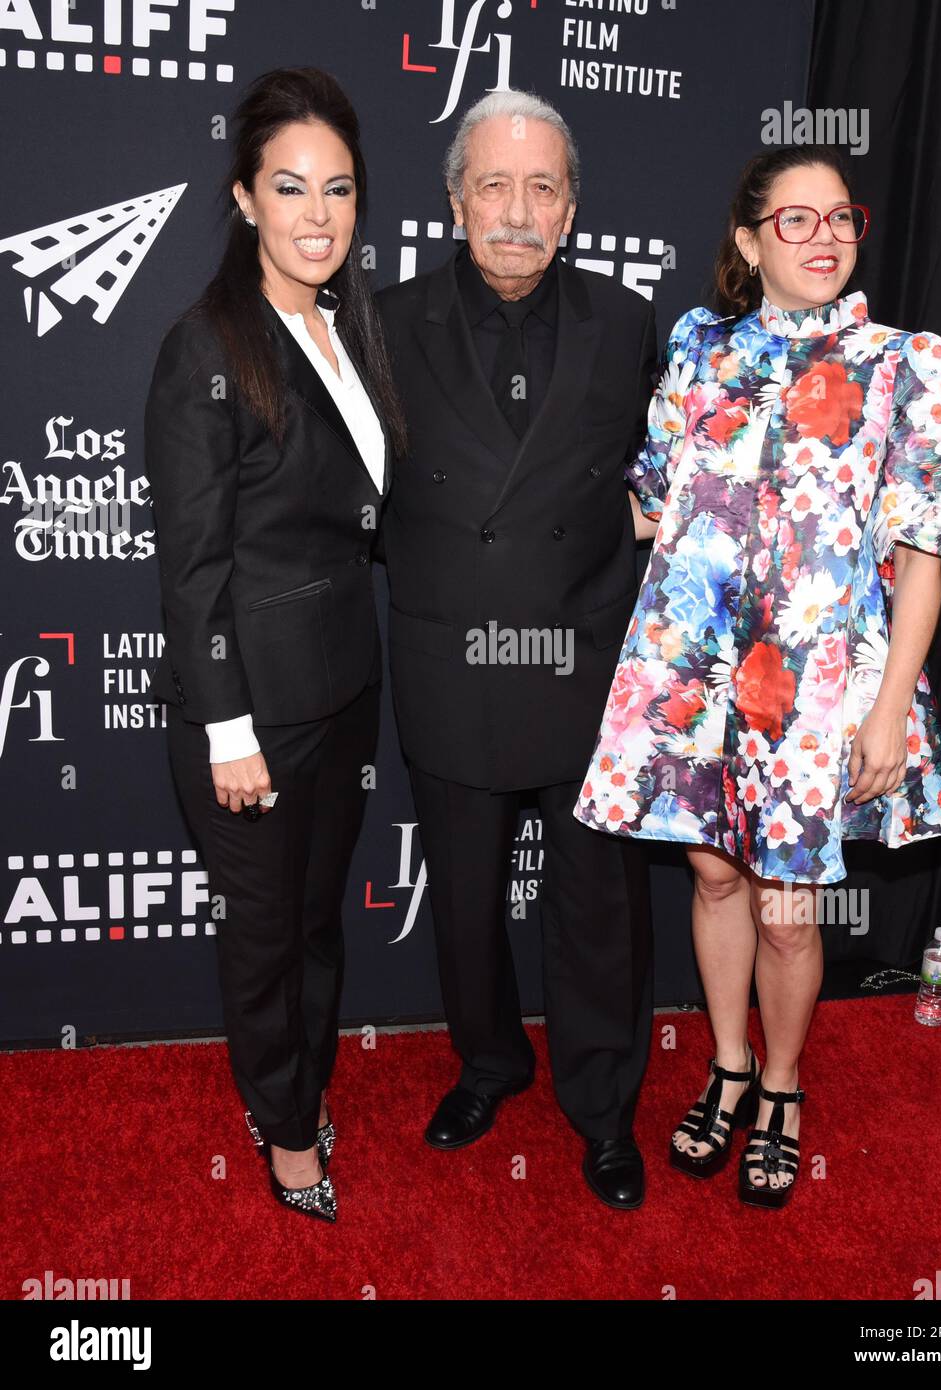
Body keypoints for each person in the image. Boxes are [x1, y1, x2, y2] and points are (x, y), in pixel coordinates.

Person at [574, 145, 941, 1208]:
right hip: (692, 670)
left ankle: (780, 1083)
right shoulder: (697, 346)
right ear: (746, 240)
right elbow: (650, 497)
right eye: (795, 219)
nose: (823, 237)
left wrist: (884, 710)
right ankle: (727, 1062)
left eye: (840, 218)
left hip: (820, 690)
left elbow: (928, 551)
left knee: (786, 907)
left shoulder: (904, 361)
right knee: (716, 877)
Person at [375, 91, 657, 1209]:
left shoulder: (629, 324)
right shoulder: (384, 324)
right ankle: (488, 1062)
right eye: (493, 185)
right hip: (451, 662)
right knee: (464, 898)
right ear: (454, 201)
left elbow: (675, 482)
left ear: (573, 208)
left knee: (598, 909)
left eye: (542, 188)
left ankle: (602, 1108)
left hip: (583, 666)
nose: (516, 210)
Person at [146, 67, 406, 1223]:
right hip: (249, 711)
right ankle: (285, 1125)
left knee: (311, 918)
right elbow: (193, 566)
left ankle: (301, 1082)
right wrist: (228, 730)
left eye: (338, 189)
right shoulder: (205, 344)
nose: (317, 214)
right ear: (245, 196)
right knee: (264, 935)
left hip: (343, 687)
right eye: (290, 187)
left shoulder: (352, 328)